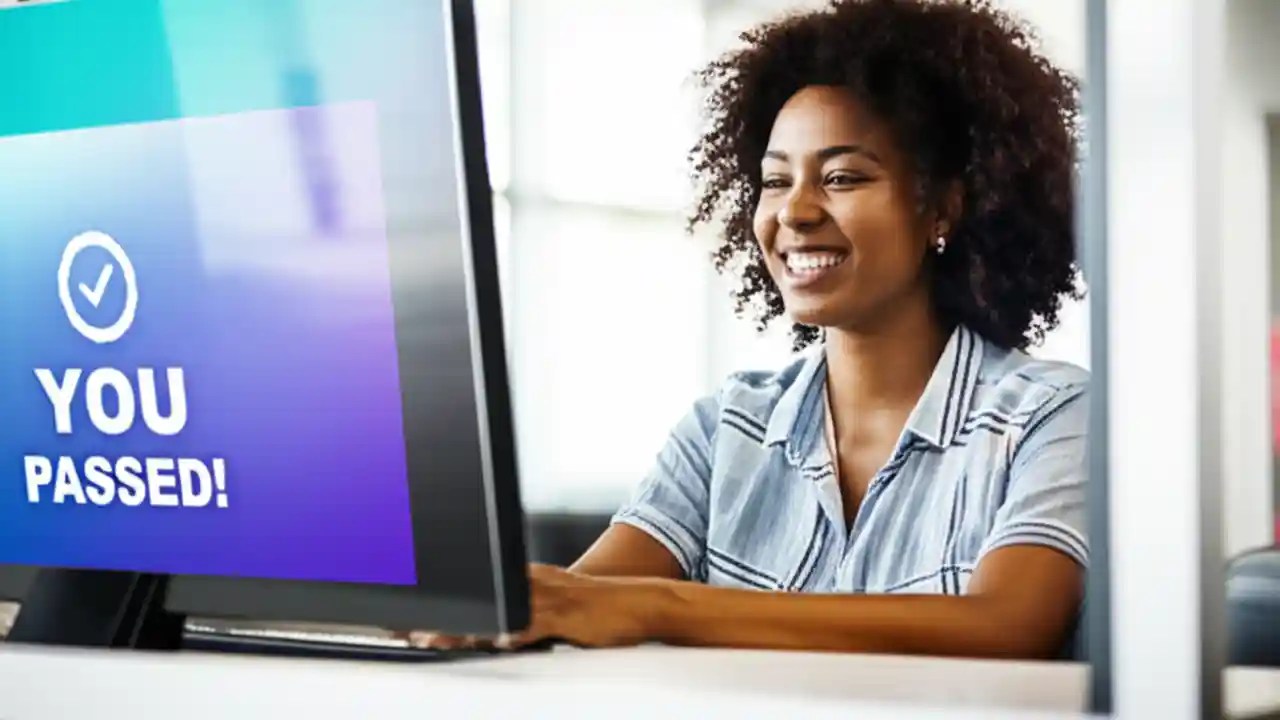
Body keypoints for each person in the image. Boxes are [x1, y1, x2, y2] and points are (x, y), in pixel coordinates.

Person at [417, 0, 1088, 659]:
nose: (794, 212)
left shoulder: (1049, 416)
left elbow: (1006, 623)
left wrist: (661, 605)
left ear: (943, 207)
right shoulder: (726, 430)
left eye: (842, 176)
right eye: (774, 181)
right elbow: (579, 602)